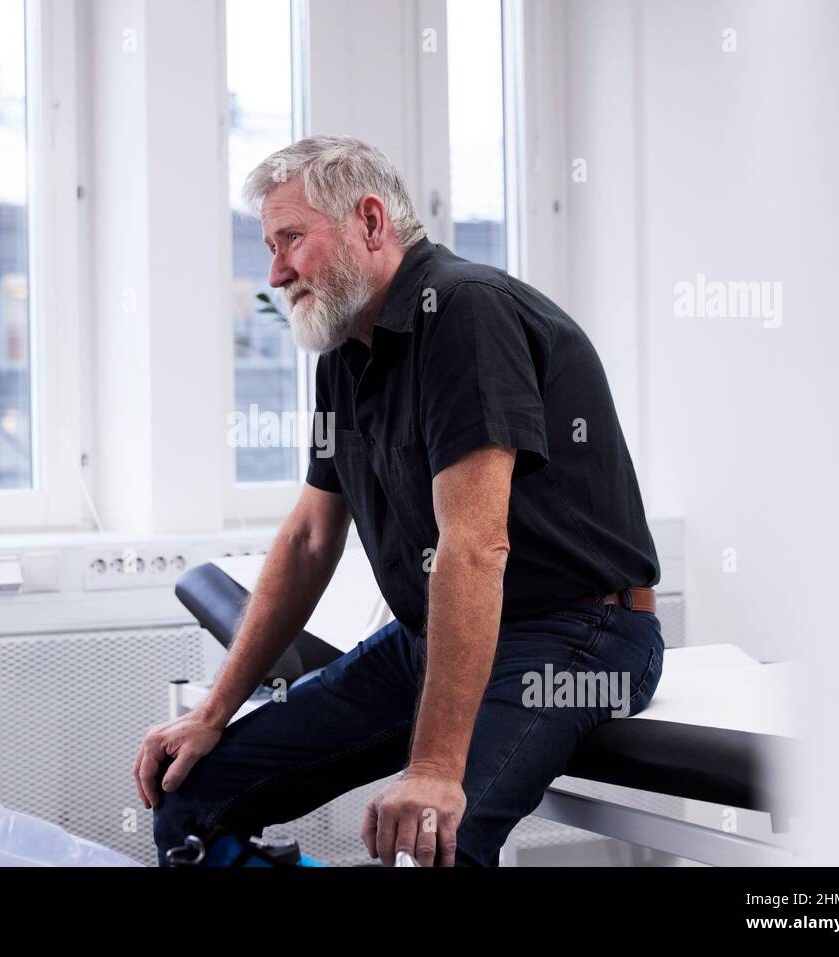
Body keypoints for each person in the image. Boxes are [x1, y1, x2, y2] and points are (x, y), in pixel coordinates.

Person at [137, 135, 666, 867]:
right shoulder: (342, 348)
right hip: (429, 633)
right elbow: (309, 540)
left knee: (435, 841)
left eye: (292, 238)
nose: (276, 270)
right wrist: (213, 712)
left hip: (575, 634)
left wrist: (434, 770)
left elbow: (476, 545)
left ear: (371, 222)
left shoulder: (466, 311)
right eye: (269, 245)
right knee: (190, 795)